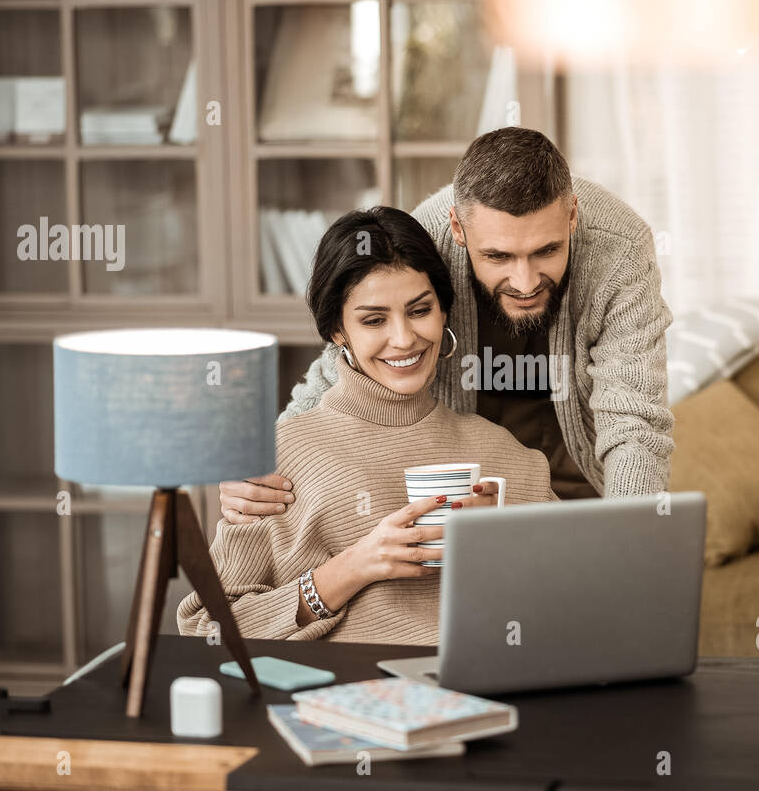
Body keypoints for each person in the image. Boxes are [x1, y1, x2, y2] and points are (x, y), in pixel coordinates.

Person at [219, 126, 673, 525]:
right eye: (497, 256)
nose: (526, 281)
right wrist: (267, 461)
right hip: (464, 506)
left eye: (546, 251)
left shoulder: (621, 248)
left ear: (572, 216)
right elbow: (343, 365)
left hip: (590, 500)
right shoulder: (426, 240)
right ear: (457, 228)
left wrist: (627, 538)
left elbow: (634, 420)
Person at [177, 207, 556, 644]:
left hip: (488, 692)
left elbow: (579, 599)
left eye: (420, 310)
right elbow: (205, 631)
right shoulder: (276, 461)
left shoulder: (503, 454)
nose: (403, 339)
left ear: (444, 311)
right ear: (338, 330)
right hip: (351, 700)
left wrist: (506, 551)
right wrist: (353, 568)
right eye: (374, 320)